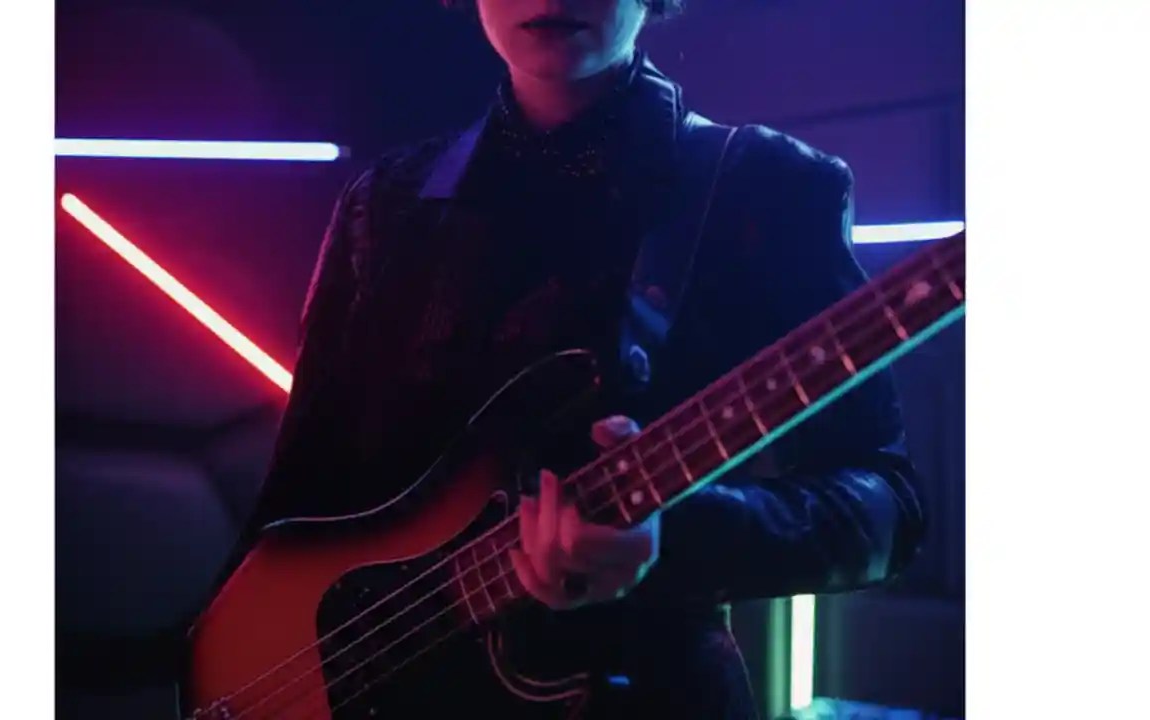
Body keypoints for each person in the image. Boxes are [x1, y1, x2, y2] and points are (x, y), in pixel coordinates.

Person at [249, 1, 926, 718]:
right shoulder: (383, 205)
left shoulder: (768, 187)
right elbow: (295, 502)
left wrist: (676, 533)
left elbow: (890, 510)